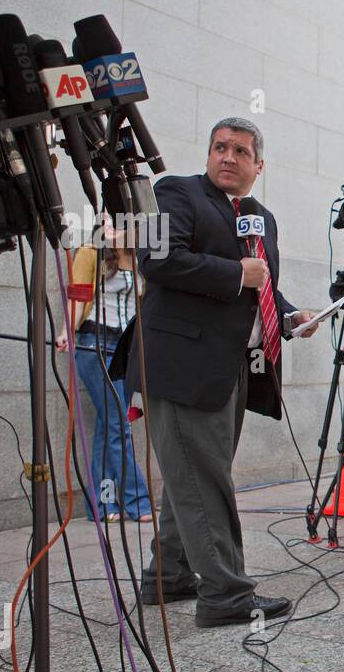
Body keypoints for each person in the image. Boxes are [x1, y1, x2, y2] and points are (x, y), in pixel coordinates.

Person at [128, 118, 317, 628]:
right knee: (204, 477)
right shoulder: (177, 192)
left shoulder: (262, 218)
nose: (227, 157)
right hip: (182, 363)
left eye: (240, 150)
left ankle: (167, 575)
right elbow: (157, 259)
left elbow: (261, 288)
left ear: (259, 165)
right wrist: (234, 273)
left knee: (193, 474)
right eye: (219, 147)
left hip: (231, 366)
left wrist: (292, 312)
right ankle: (226, 595)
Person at [56, 223, 153, 523]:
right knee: (117, 422)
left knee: (107, 425)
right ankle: (137, 500)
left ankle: (103, 503)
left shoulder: (142, 259)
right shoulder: (91, 253)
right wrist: (65, 332)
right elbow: (77, 298)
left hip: (126, 349)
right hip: (93, 344)